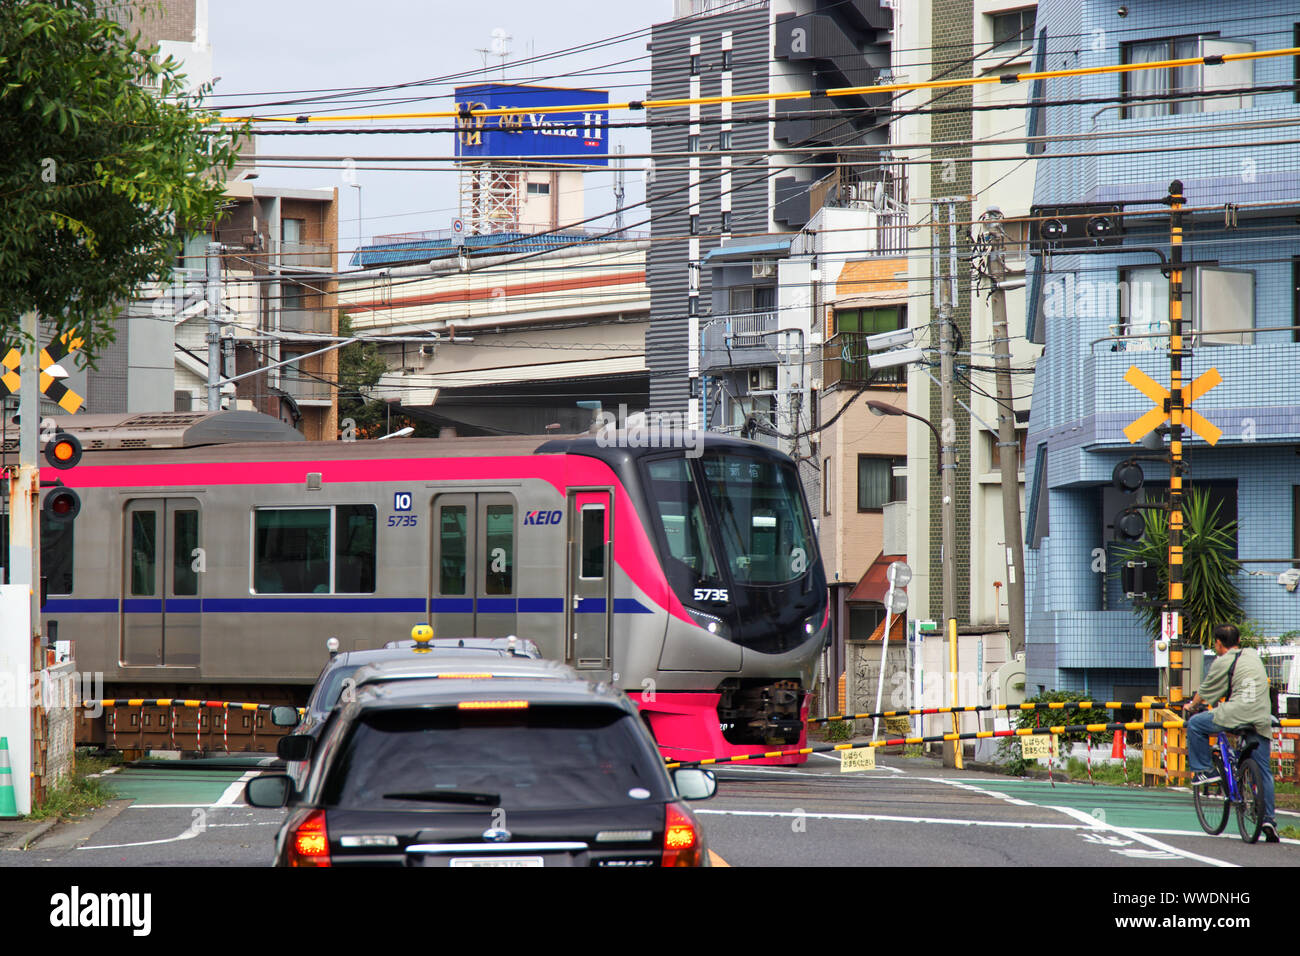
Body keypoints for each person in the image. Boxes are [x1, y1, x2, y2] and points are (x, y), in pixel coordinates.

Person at [1182, 624, 1279, 843]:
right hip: (1262, 716)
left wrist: (1191, 706)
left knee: (1197, 724)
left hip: (1237, 713)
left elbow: (1205, 692)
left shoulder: (1222, 661)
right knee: (1263, 770)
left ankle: (1204, 771)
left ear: (1218, 642)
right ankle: (1268, 820)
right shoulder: (1252, 655)